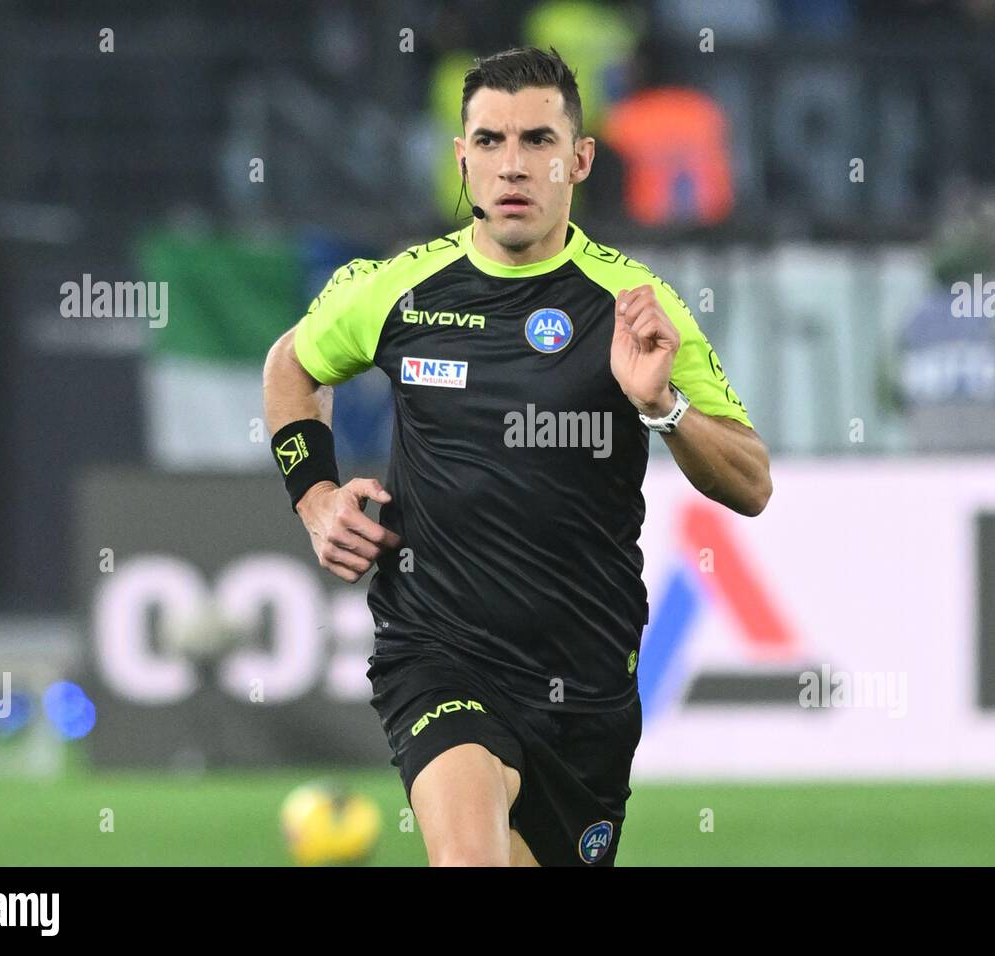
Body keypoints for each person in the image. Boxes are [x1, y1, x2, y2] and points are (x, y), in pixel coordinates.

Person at [261, 46, 771, 867]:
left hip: (588, 676)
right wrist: (314, 494)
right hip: (437, 650)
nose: (512, 165)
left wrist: (662, 407)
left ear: (580, 158)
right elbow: (292, 364)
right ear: (460, 158)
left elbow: (751, 482)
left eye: (537, 140)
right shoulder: (401, 289)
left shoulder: (634, 304)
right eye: (489, 142)